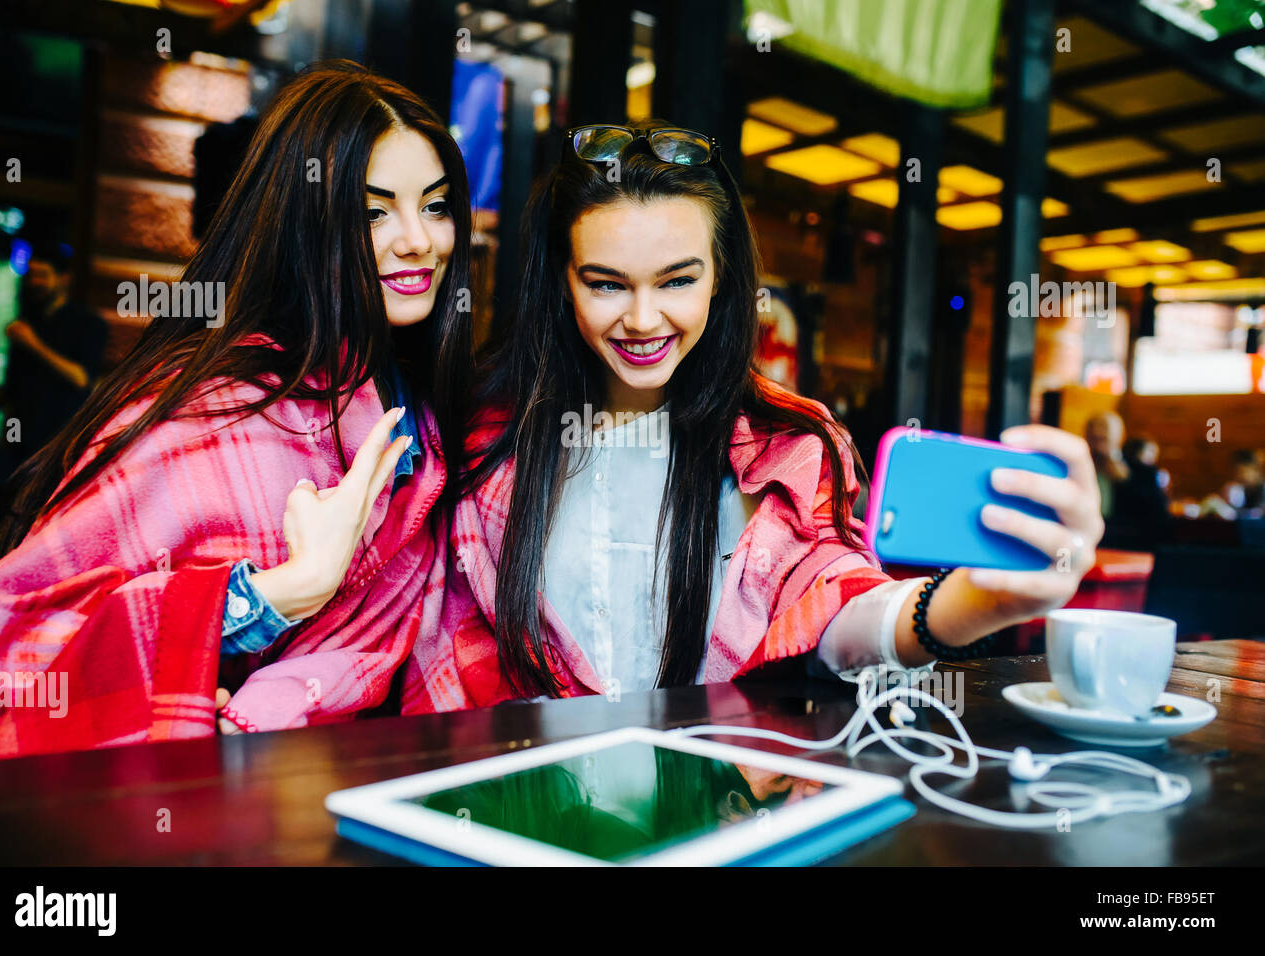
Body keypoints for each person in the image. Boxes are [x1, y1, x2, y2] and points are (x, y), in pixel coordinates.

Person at [399, 122, 1105, 712]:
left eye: (679, 280)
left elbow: (831, 607)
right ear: (562, 280)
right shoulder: (476, 437)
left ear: (723, 275)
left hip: (709, 804)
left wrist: (978, 599)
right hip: (514, 803)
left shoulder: (784, 445)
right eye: (607, 284)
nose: (644, 320)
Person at [0, 61, 472, 758]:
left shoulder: (426, 418)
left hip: (358, 797)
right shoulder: (209, 412)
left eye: (437, 206)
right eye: (372, 211)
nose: (418, 239)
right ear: (305, 225)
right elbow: (7, 654)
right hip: (209, 806)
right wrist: (282, 593)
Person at [2, 243, 108, 454]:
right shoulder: (28, 320)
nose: (35, 282)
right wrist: (9, 437)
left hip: (59, 441)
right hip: (21, 438)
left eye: (42, 275)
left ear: (64, 278)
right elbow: (13, 390)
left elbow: (82, 379)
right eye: (31, 275)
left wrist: (33, 344)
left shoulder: (89, 324)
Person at [1084, 411, 1128, 521]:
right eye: (1092, 427)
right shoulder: (1076, 467)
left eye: (1103, 427)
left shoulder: (1136, 471)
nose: (1097, 431)